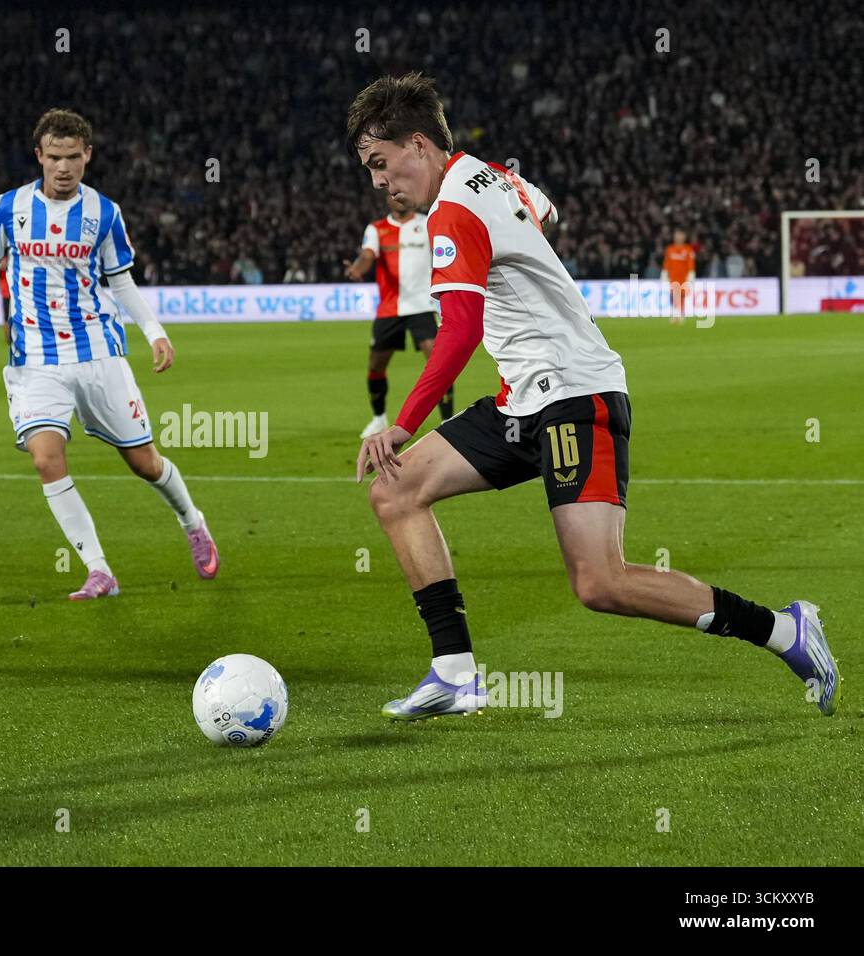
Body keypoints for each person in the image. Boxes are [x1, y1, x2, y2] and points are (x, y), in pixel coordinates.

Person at [347, 72, 837, 720]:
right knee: (396, 490)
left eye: (382, 164)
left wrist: (401, 422)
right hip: (523, 399)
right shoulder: (491, 176)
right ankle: (455, 672)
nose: (380, 182)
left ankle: (784, 629)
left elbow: (460, 330)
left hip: (575, 395)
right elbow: (548, 215)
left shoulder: (454, 210)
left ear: (417, 143)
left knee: (600, 582)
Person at [0, 108, 218, 600]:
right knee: (46, 459)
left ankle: (192, 519)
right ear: (39, 156)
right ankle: (99, 570)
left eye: (73, 157)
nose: (64, 167)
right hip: (34, 358)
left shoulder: (105, 213)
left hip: (99, 351)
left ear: (87, 155)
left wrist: (154, 331)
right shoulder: (8, 208)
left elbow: (121, 281)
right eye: (54, 157)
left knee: (144, 463)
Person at [345, 192, 451, 439]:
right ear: (386, 201)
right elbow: (367, 255)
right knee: (376, 365)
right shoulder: (377, 229)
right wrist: (357, 270)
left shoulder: (425, 223)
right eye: (391, 195)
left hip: (422, 306)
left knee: (439, 361)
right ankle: (379, 418)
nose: (396, 198)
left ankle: (448, 420)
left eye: (399, 194)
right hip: (390, 309)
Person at [662, 229, 696, 324]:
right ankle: (676, 315)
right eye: (677, 235)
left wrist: (691, 276)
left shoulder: (688, 250)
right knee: (673, 297)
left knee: (681, 296)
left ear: (684, 237)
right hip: (672, 278)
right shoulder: (670, 249)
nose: (678, 237)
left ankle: (679, 315)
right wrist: (664, 274)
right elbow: (666, 263)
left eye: (680, 235)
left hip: (683, 279)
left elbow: (691, 265)